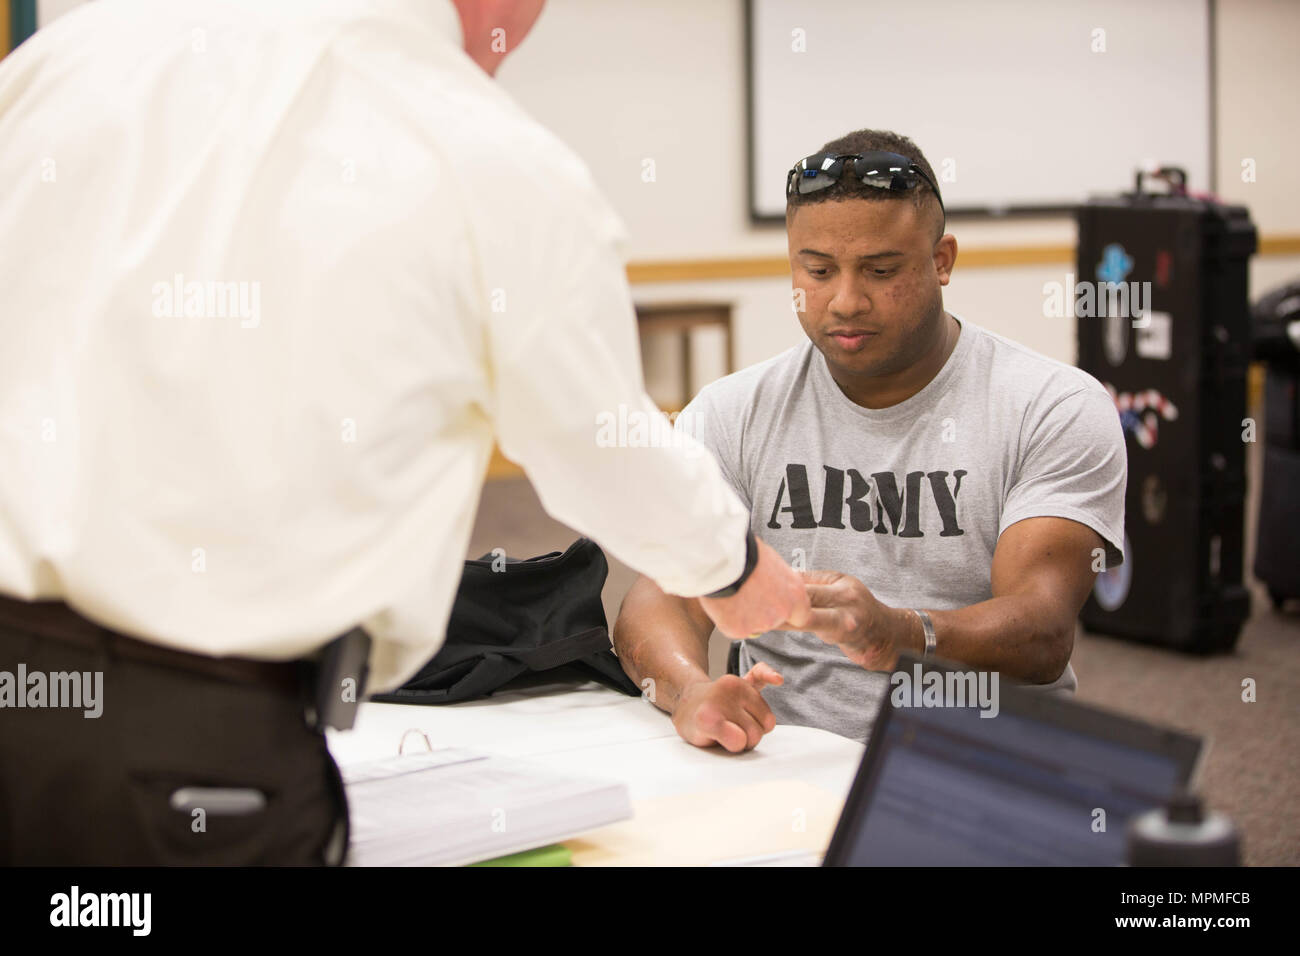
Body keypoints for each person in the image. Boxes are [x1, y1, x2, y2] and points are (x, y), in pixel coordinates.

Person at [0, 0, 809, 864]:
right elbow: (600, 443)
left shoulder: (73, 55)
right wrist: (735, 567)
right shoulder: (471, 142)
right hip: (185, 749)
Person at [614, 128, 1127, 751]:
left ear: (943, 261)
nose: (845, 301)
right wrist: (690, 689)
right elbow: (663, 599)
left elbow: (1043, 633)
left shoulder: (1052, 407)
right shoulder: (731, 412)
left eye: (881, 271)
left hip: (979, 763)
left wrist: (901, 633)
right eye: (818, 270)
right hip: (785, 762)